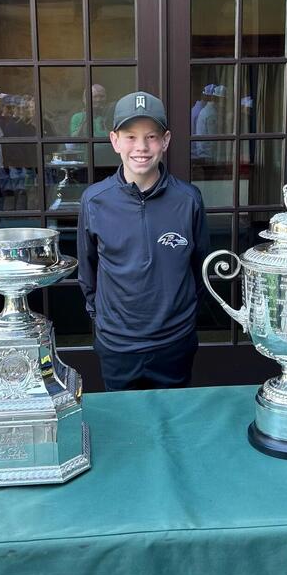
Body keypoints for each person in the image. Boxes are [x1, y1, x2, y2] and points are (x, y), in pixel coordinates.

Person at [77, 90, 210, 391]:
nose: (141, 147)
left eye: (151, 137)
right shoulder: (94, 200)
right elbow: (88, 271)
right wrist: (103, 320)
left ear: (165, 141)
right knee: (126, 427)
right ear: (114, 141)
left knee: (173, 423)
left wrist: (183, 319)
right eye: (131, 137)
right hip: (117, 344)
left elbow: (200, 268)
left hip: (174, 341)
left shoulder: (188, 199)